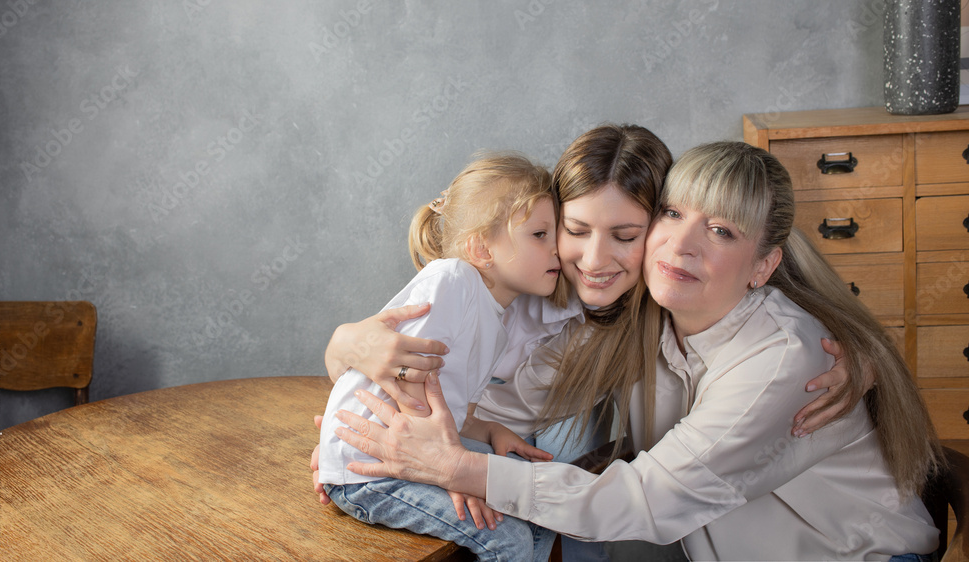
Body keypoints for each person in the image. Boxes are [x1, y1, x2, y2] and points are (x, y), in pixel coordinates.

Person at [329, 141, 943, 560]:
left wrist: (453, 468)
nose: (682, 244)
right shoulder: (635, 318)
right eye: (673, 214)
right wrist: (368, 428)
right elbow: (496, 406)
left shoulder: (790, 363)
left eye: (722, 231)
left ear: (764, 265)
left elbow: (647, 500)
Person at [318, 152, 563, 562]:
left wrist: (487, 432)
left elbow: (449, 404)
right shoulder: (454, 281)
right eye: (540, 234)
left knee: (539, 505)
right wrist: (450, 474)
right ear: (482, 248)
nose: (559, 248)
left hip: (412, 449)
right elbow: (407, 384)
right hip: (368, 471)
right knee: (509, 542)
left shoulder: (496, 321)